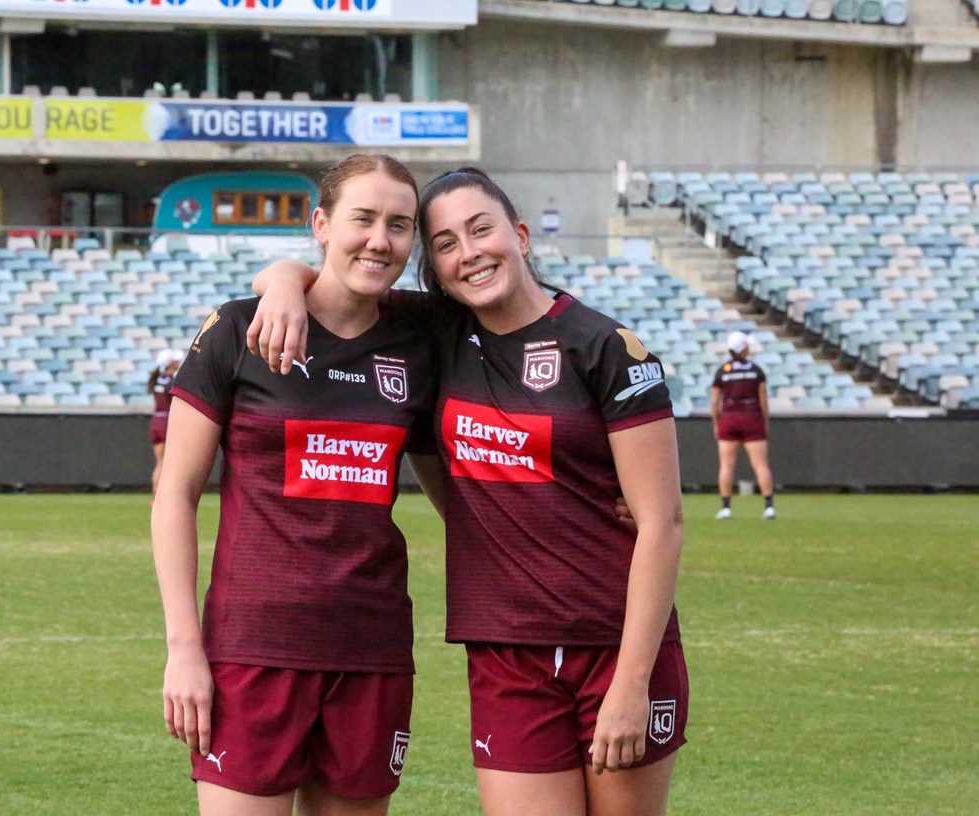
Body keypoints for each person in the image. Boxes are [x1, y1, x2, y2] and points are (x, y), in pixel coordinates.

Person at [250, 167, 687, 816]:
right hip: (505, 648)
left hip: (615, 646)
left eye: (481, 230)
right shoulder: (434, 332)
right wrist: (281, 283)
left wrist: (631, 684)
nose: (469, 252)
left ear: (520, 234)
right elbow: (331, 281)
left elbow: (663, 524)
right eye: (446, 243)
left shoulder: (606, 347)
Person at [151, 154, 437, 816]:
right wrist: (184, 648)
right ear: (321, 224)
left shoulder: (422, 339)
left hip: (372, 648)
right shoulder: (237, 329)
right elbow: (175, 497)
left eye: (400, 225)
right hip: (251, 646)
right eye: (362, 219)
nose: (380, 240)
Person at [710, 331, 775, 520]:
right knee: (760, 465)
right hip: (752, 417)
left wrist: (716, 423)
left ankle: (725, 507)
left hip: (728, 418)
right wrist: (765, 420)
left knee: (726, 465)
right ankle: (768, 506)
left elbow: (715, 401)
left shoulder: (723, 371)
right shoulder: (756, 371)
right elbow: (763, 400)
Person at [148, 349, 184, 496]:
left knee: (160, 462)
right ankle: (164, 495)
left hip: (156, 420)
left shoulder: (155, 380)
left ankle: (155, 494)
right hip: (167, 421)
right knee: (168, 462)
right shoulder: (172, 382)